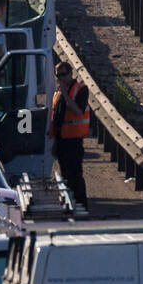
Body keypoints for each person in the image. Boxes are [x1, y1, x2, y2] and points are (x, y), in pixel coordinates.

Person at [48, 60, 89, 207]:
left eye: (64, 75)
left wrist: (65, 95)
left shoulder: (80, 89)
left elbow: (78, 111)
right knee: (65, 175)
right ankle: (70, 204)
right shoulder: (57, 94)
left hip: (74, 141)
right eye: (58, 76)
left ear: (71, 74)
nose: (61, 79)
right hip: (61, 140)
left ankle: (81, 204)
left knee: (75, 176)